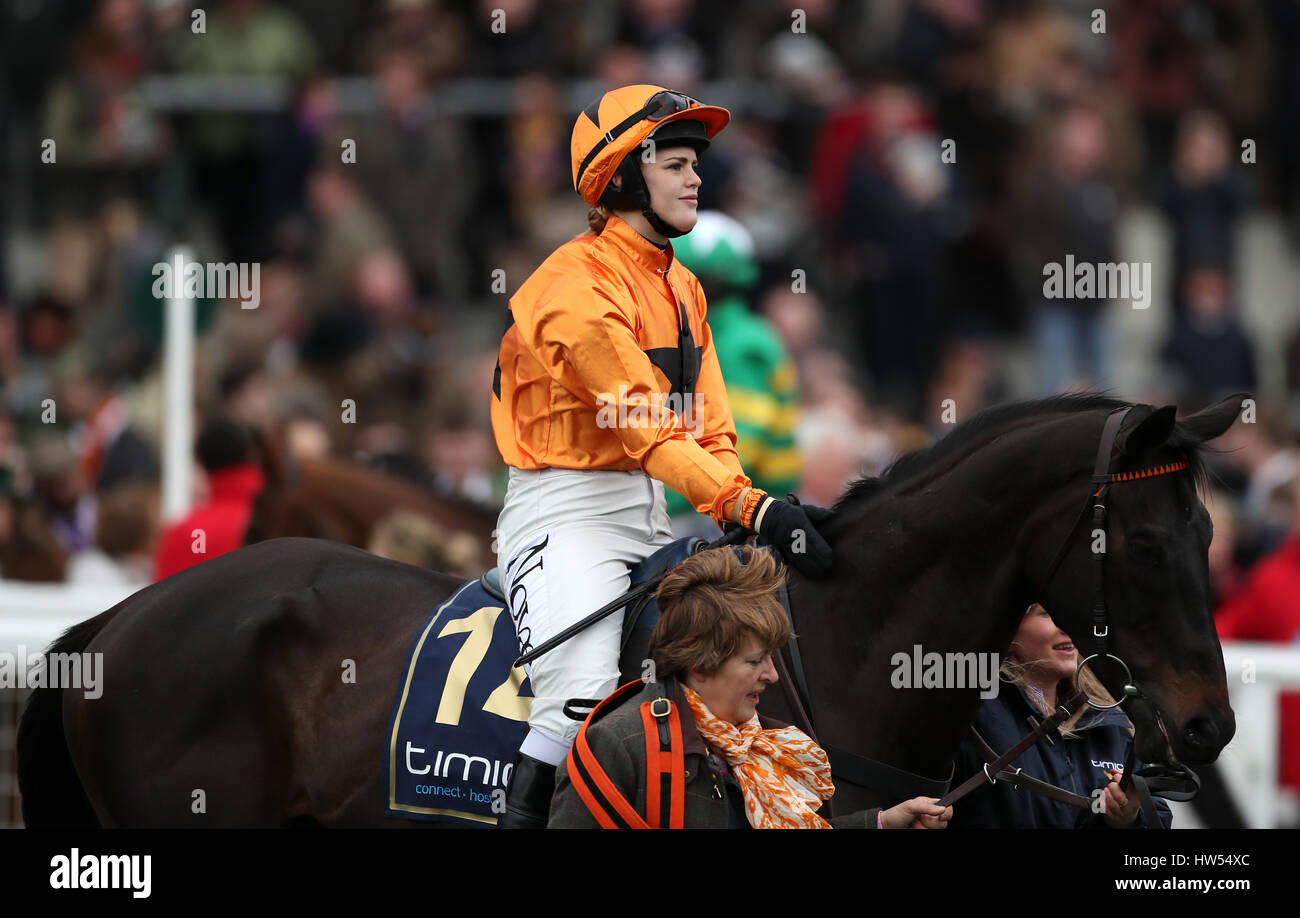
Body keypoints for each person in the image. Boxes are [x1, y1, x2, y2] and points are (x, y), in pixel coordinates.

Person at [490, 85, 835, 828]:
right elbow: (647, 428)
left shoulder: (682, 285)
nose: (694, 179)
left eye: (694, 164)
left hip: (657, 511)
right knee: (580, 692)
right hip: (566, 515)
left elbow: (711, 430)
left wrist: (750, 509)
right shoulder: (569, 287)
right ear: (621, 179)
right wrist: (751, 507)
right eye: (675, 164)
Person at [549, 546, 952, 829]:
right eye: (755, 660)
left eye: (772, 658)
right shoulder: (619, 745)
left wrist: (882, 823)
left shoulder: (762, 742)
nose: (773, 675)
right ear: (701, 662)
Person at [949, 603, 1173, 829]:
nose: (1068, 625)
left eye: (1070, 612)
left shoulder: (1113, 722)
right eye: (1048, 613)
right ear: (1007, 626)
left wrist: (1128, 820)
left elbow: (1158, 815)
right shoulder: (972, 710)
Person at [664, 211, 802, 538]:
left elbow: (738, 450)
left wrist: (660, 498)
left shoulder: (737, 344)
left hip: (746, 518)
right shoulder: (707, 335)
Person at [153, 417, 266, 580]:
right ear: (253, 455)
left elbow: (162, 600)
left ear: (201, 462)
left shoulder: (186, 532)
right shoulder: (280, 518)